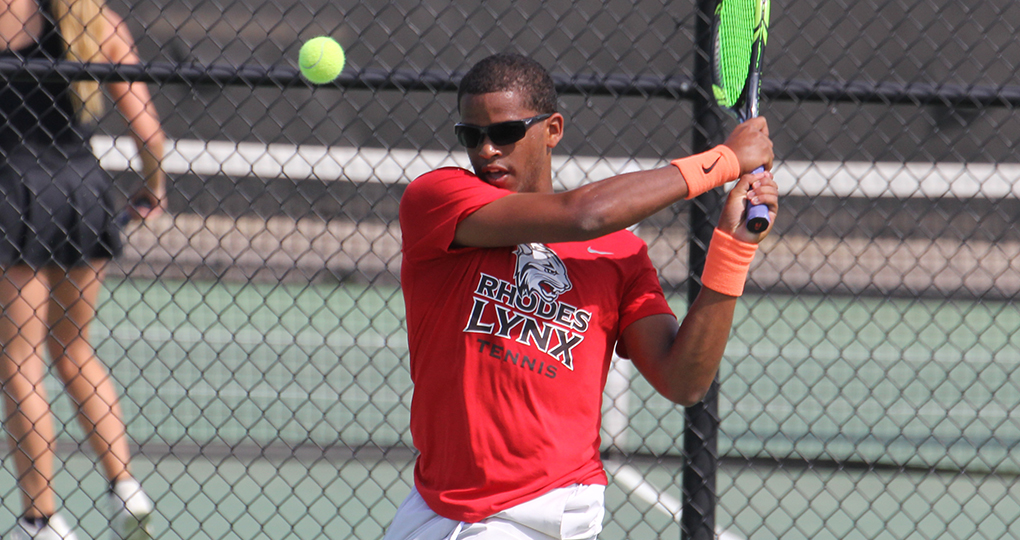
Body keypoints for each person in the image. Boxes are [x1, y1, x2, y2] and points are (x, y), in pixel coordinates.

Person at [386, 53, 776, 540]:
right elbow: (584, 214)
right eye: (472, 135)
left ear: (552, 130)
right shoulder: (438, 199)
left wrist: (731, 249)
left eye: (505, 133)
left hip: (542, 514)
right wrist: (723, 161)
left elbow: (683, 380)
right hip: (434, 504)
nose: (486, 150)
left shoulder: (619, 256)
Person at [0, 0, 165, 538]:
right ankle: (125, 489)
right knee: (73, 347)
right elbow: (149, 133)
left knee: (20, 361)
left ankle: (40, 520)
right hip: (82, 191)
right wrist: (153, 187)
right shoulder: (96, 20)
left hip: (14, 193)